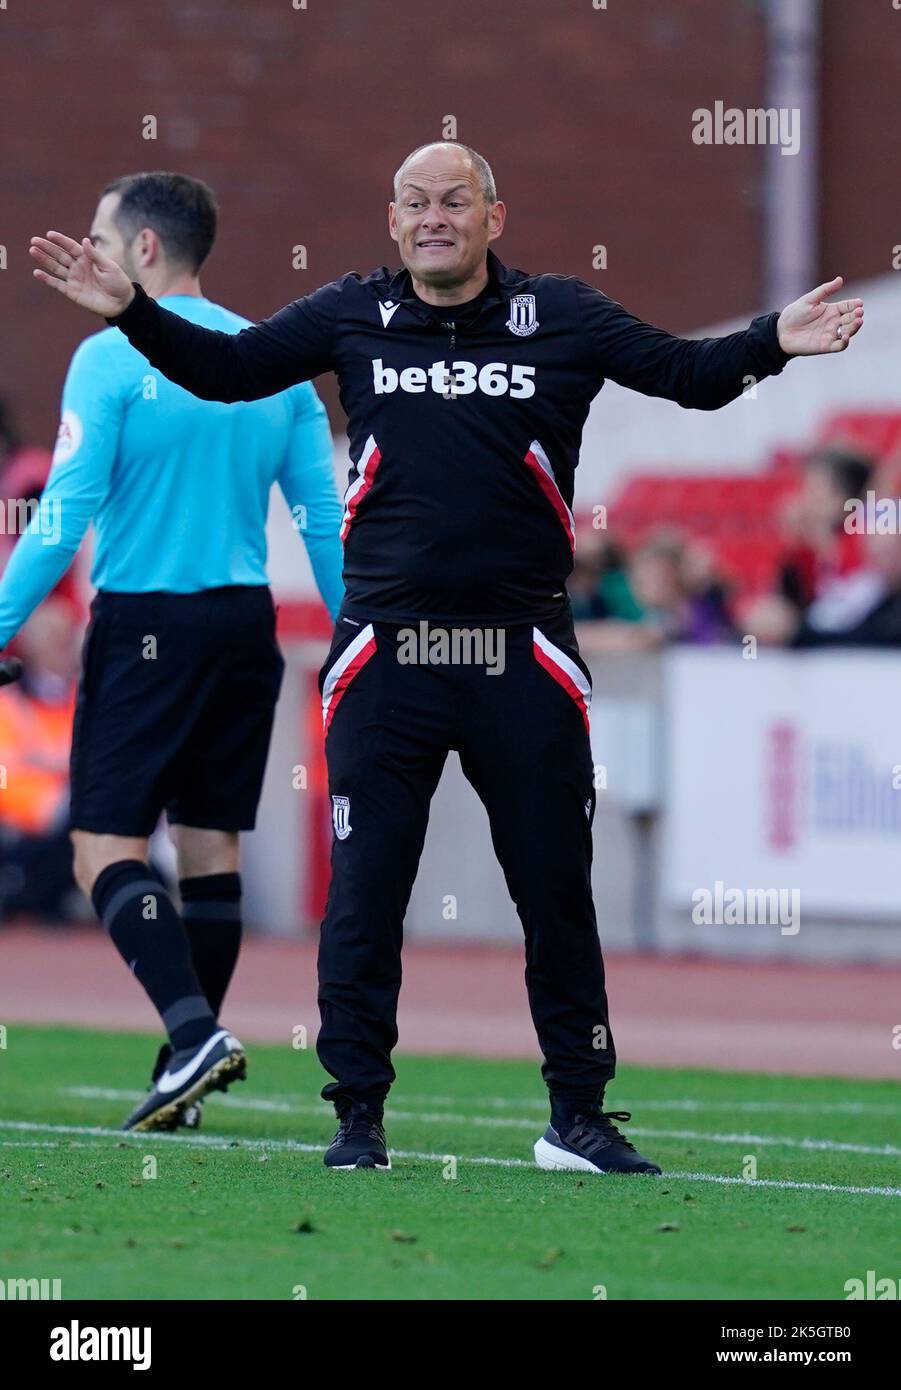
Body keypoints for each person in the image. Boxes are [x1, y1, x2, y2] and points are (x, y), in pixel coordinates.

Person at [29, 141, 864, 1174]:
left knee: (555, 893)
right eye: (415, 202)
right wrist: (131, 312)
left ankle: (578, 1117)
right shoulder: (352, 311)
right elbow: (228, 371)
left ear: (491, 217)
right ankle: (358, 1118)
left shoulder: (559, 313)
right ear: (392, 222)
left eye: (454, 201)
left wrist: (771, 341)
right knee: (367, 894)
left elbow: (684, 377)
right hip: (388, 654)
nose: (434, 217)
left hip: (524, 653)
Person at [10, 171, 344, 1132]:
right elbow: (322, 521)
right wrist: (357, 634)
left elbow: (63, 515)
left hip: (146, 622)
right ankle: (182, 1069)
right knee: (208, 850)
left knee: (100, 851)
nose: (88, 253)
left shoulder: (109, 354)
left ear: (145, 249)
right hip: (243, 627)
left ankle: (193, 1035)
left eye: (99, 236)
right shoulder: (272, 360)